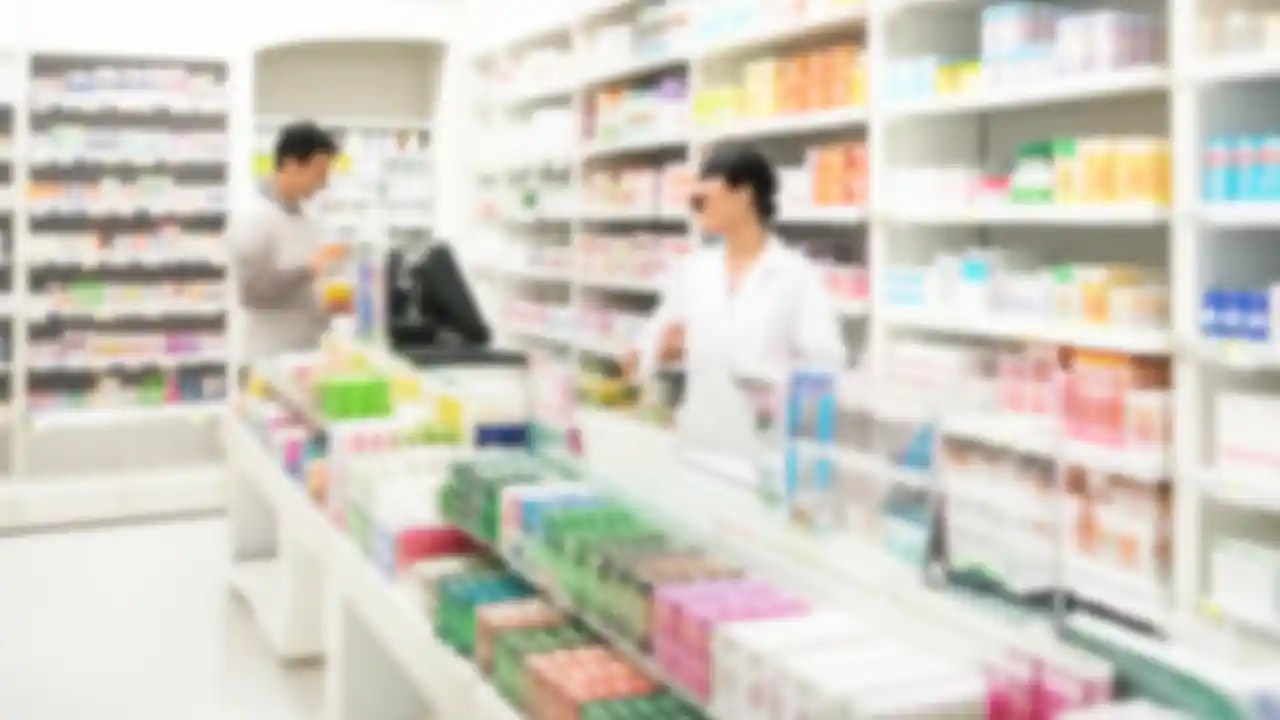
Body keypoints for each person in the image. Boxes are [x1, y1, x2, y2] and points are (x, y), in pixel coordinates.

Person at [621, 143, 845, 457]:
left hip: (763, 450)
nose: (697, 209)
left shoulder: (796, 276)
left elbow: (826, 369)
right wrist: (655, 352)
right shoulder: (695, 271)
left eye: (703, 200)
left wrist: (763, 376)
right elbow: (644, 349)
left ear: (743, 195)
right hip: (698, 443)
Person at [230, 121, 343, 362]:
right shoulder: (255, 216)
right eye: (318, 174)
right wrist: (307, 270)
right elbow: (251, 293)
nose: (324, 184)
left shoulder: (307, 217)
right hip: (271, 358)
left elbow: (311, 281)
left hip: (306, 353)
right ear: (291, 165)